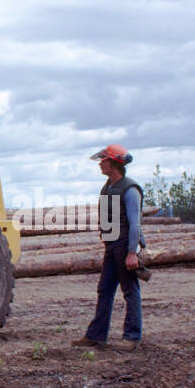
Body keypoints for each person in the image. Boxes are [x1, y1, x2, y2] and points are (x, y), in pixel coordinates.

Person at [72, 144, 144, 351]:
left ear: (114, 163)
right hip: (112, 245)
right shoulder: (109, 187)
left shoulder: (130, 189)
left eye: (104, 160)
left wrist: (132, 252)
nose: (100, 163)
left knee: (130, 291)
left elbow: (135, 224)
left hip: (124, 246)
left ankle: (132, 338)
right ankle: (96, 336)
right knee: (105, 290)